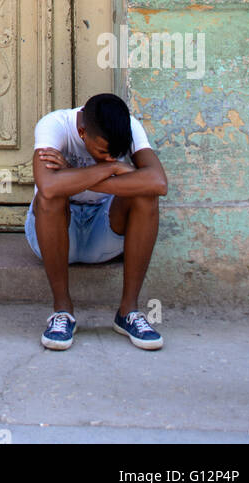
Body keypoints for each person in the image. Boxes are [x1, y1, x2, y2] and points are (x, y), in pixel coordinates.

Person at [25, 92, 168, 351]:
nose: (110, 158)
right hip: (54, 233)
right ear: (82, 132)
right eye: (103, 152)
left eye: (116, 156)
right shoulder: (54, 126)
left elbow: (158, 182)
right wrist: (111, 171)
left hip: (103, 232)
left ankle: (128, 312)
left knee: (146, 196)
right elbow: (47, 185)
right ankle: (62, 312)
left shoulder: (129, 126)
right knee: (51, 197)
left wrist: (71, 174)